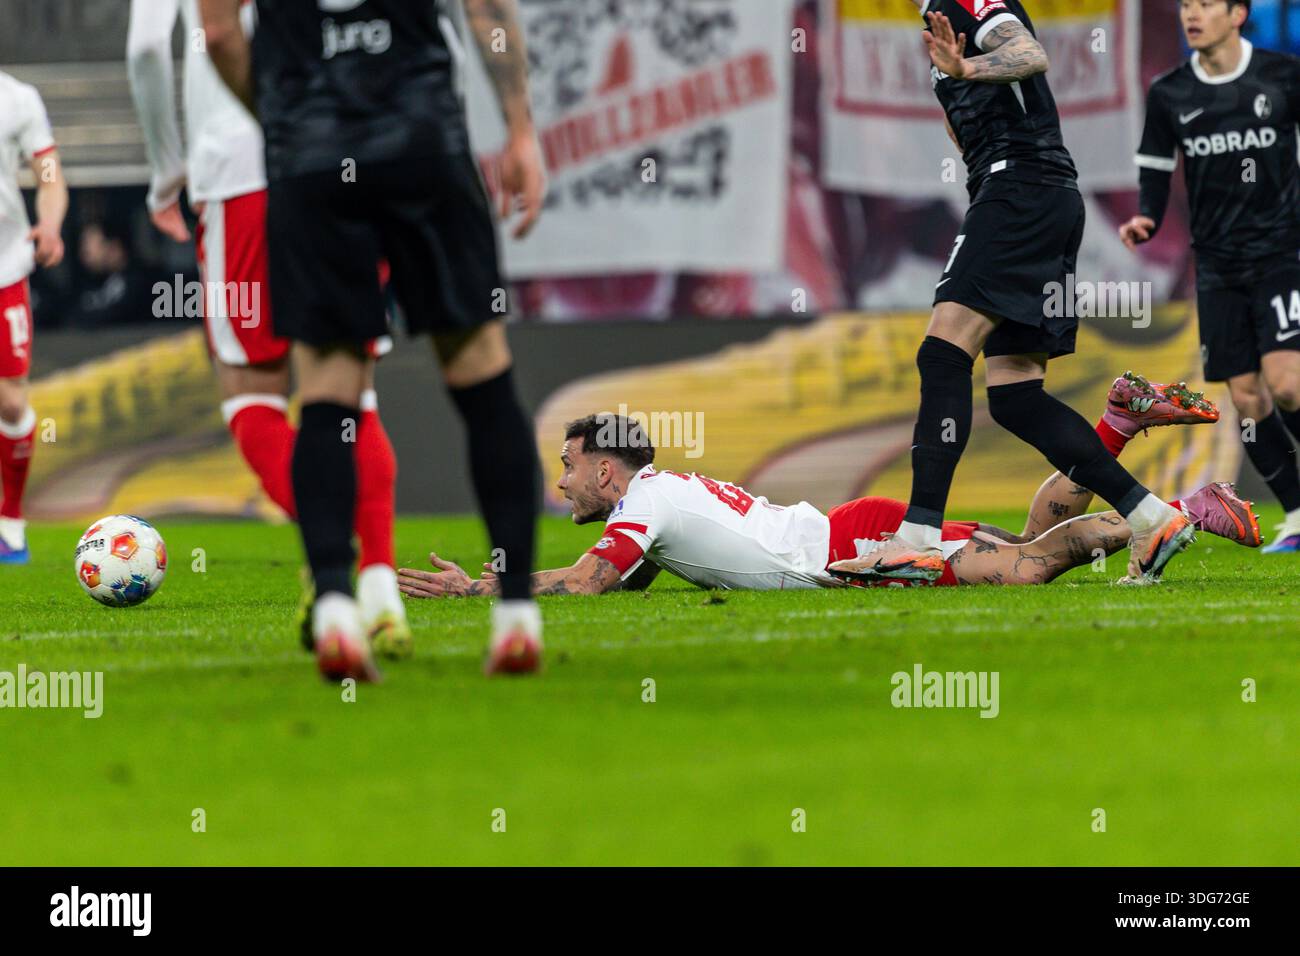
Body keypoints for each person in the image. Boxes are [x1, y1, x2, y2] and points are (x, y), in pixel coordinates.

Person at [201, 0, 547, 678]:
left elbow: (217, 33)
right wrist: (520, 130)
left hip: (313, 158)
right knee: (482, 374)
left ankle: (336, 605)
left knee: (327, 388)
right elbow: (487, 11)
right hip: (424, 142)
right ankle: (515, 618)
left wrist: (285, 120)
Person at [852, 0, 1195, 588]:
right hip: (1038, 194)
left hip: (1020, 192)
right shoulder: (936, 27)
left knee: (942, 354)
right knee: (1016, 398)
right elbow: (972, 127)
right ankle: (1151, 517)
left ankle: (917, 541)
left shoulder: (965, 3)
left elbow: (1028, 53)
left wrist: (967, 70)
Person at [396, 375, 1258, 599]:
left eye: (569, 466)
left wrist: (480, 588)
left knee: (1029, 567)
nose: (560, 482)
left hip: (855, 548)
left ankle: (1181, 512)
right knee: (1020, 539)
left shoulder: (643, 505)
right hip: (848, 531)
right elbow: (623, 578)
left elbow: (591, 580)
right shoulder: (655, 499)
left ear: (605, 469)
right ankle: (1115, 426)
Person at [129, 0, 410, 657]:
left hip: (240, 174)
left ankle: (334, 561)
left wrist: (166, 171)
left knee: (250, 394)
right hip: (347, 161)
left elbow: (146, 48)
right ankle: (380, 586)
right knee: (353, 394)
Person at [1120, 0, 1300, 553]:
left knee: (1288, 385)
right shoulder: (1170, 92)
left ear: (1238, 14)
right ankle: (1297, 515)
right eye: (1186, 5)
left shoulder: (1281, 75)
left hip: (1281, 253)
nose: (1190, 15)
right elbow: (1155, 165)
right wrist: (1148, 216)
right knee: (1247, 399)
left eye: (1204, 5)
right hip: (1217, 265)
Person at [0, 70, 67, 564]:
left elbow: (47, 172)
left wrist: (49, 222)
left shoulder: (17, 99)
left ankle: (11, 521)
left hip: (4, 267)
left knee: (9, 401)